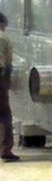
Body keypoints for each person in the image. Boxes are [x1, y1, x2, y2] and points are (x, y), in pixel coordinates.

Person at [0, 12, 19, 161]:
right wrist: (7, 82)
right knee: (4, 113)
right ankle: (6, 150)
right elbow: (8, 64)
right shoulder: (3, 38)